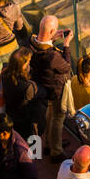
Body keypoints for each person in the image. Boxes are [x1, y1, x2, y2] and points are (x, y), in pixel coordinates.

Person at [29, 15, 72, 160]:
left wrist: (52, 38)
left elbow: (43, 44)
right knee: (58, 118)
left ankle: (49, 143)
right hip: (55, 89)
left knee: (48, 115)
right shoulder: (52, 56)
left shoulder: (31, 42)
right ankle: (56, 151)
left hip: (41, 87)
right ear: (52, 30)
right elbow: (66, 66)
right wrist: (66, 45)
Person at [0, 48, 39, 140]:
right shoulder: (27, 86)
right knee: (31, 145)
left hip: (11, 116)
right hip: (26, 121)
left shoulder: (5, 73)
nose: (29, 63)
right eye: (28, 62)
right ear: (22, 66)